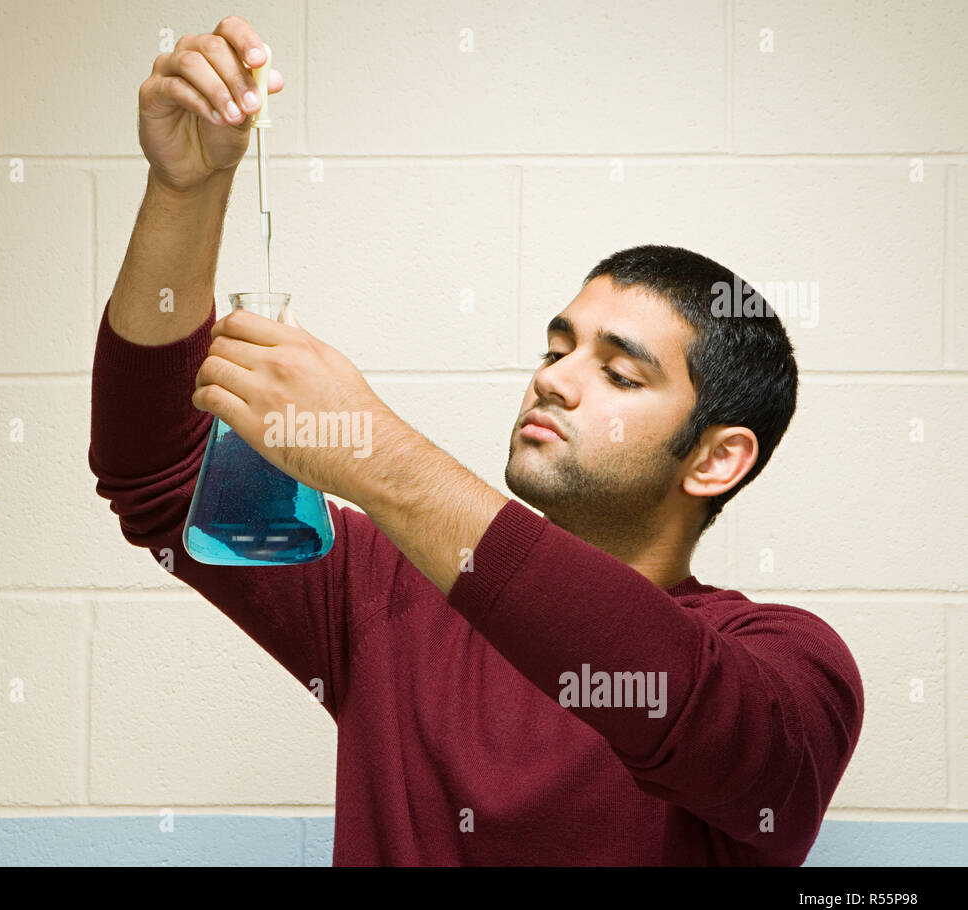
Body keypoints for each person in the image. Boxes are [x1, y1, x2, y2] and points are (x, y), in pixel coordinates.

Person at [90, 15, 863, 865]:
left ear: (717, 458)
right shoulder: (391, 593)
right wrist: (185, 191)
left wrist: (371, 450)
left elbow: (681, 705)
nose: (555, 378)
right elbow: (158, 473)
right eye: (558, 347)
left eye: (620, 372)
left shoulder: (792, 665)